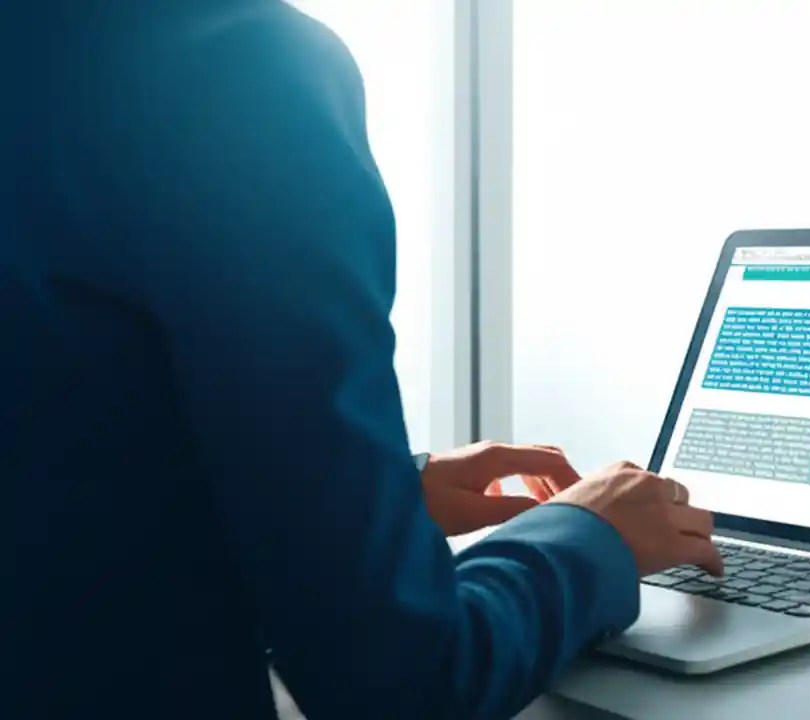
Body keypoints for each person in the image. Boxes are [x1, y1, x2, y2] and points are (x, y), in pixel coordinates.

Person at [6, 1, 722, 718]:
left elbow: (64, 460)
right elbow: (399, 685)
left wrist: (371, 495)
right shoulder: (234, 64)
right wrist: (589, 538)